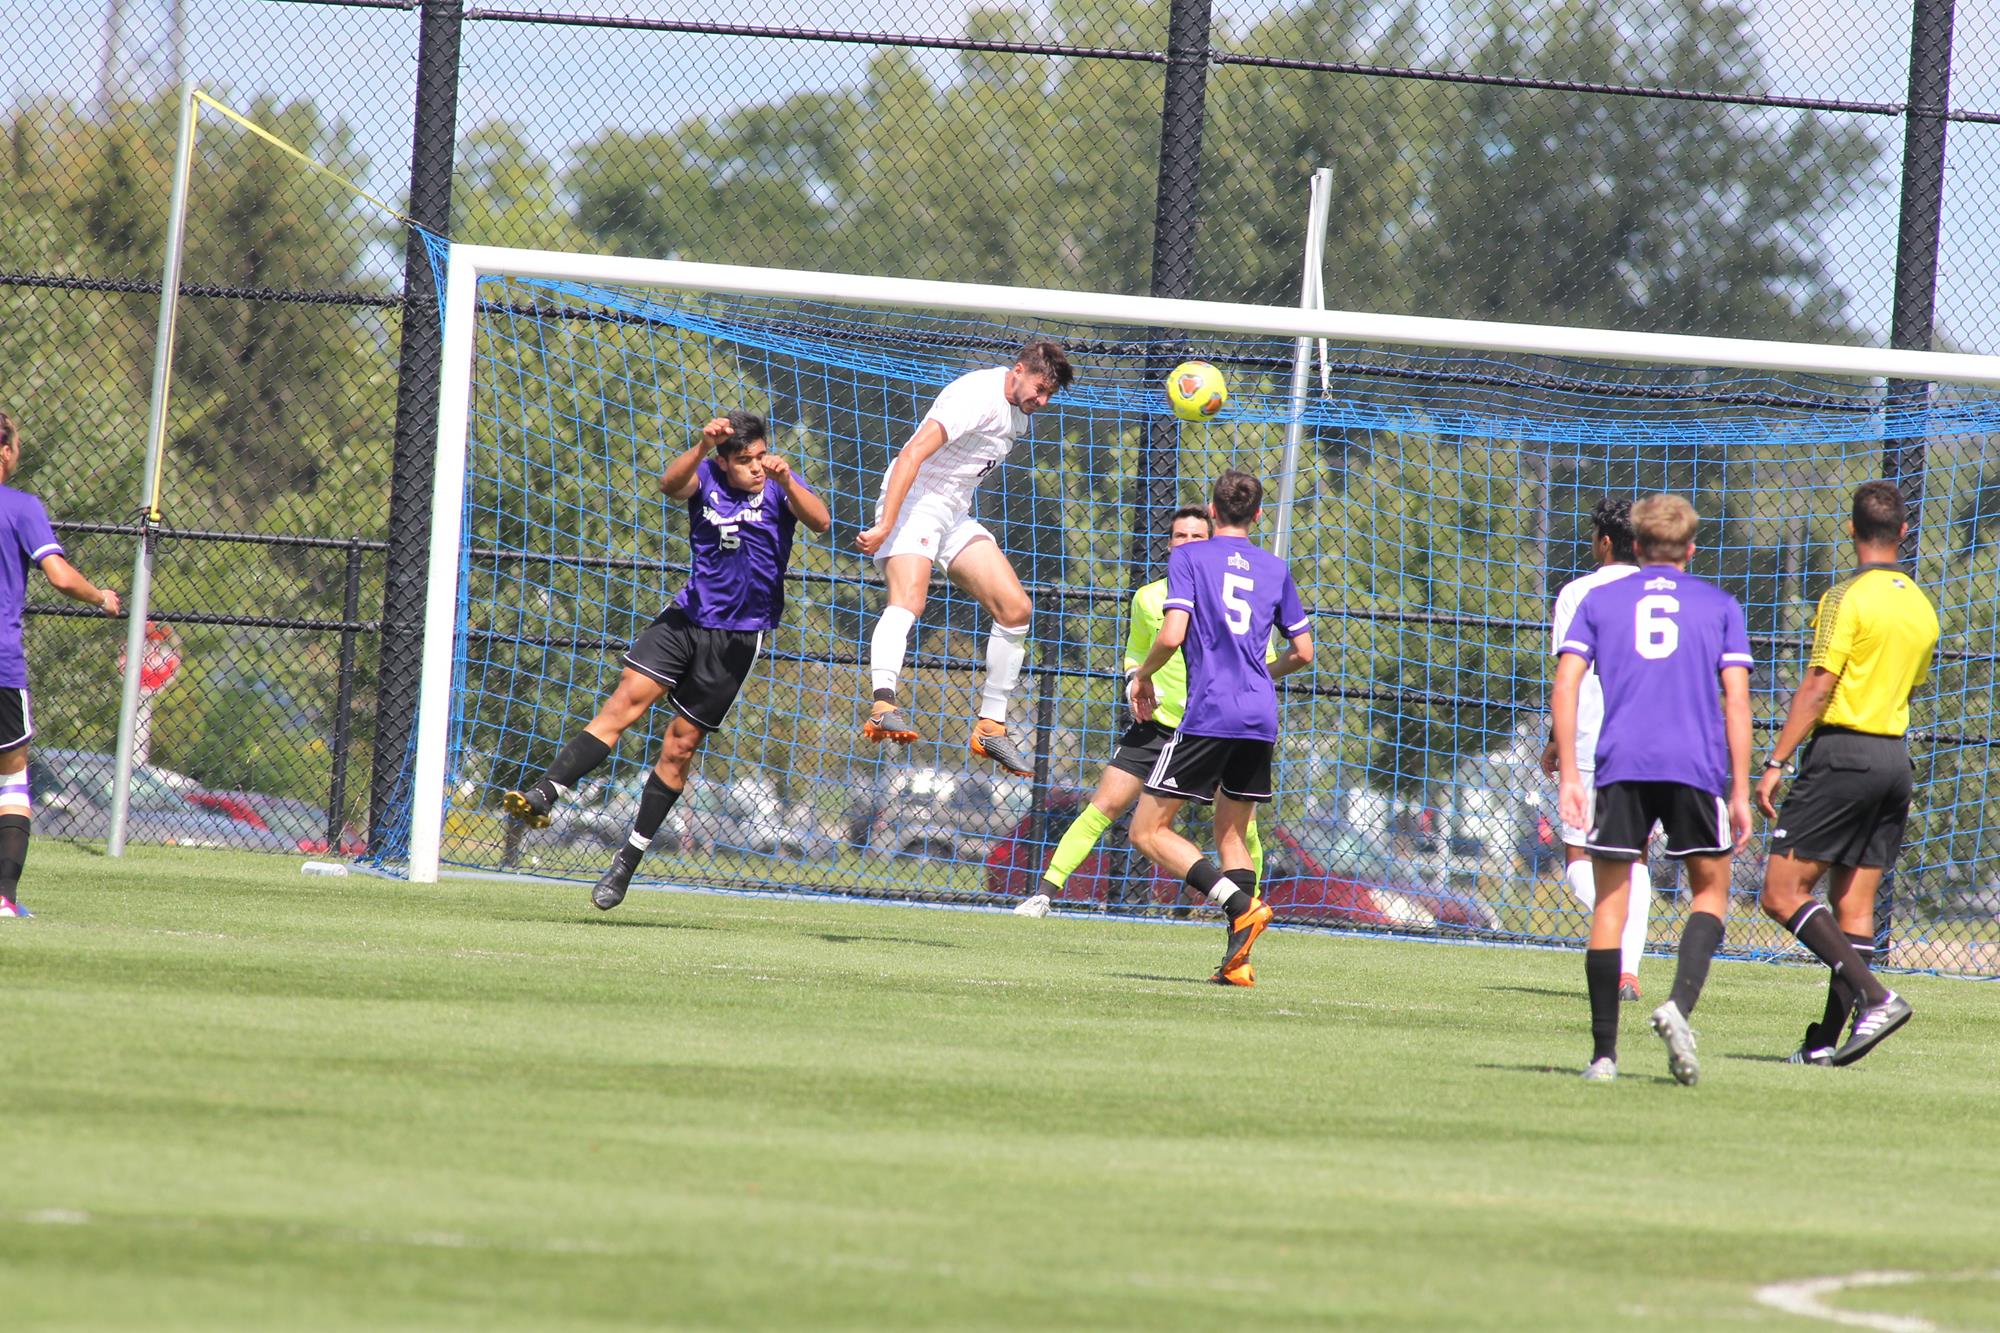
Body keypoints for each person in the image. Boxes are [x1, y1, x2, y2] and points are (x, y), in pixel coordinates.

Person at [502, 412, 831, 910]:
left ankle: (625, 863)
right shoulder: (705, 474)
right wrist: (700, 447)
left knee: (679, 748)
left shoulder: (780, 481)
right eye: (744, 461)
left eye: (761, 456)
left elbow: (822, 522)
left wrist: (788, 479)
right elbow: (668, 484)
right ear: (724, 460)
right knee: (624, 704)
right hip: (685, 619)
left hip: (737, 639)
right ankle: (548, 790)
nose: (756, 467)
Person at [1553, 493, 1754, 1084]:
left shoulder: (1600, 598)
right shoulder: (1718, 604)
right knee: (1710, 892)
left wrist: (1568, 772)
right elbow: (1736, 700)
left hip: (1621, 763)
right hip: (1694, 764)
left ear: (1636, 547)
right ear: (1692, 548)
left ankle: (1603, 1056)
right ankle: (1678, 1007)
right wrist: (1740, 789)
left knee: (1609, 905)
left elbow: (1566, 685)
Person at [1755, 481, 1935, 1067]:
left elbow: (1819, 683)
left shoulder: (1844, 597)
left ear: (1851, 530)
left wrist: (1776, 760)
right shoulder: (1920, 604)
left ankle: (1877, 997)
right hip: (1893, 761)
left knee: (1782, 894)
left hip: (1842, 755)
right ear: (1904, 533)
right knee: (1854, 909)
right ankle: (1823, 1043)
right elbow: (1911, 686)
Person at [1020, 507, 1264, 916]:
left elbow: (1263, 660)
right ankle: (1043, 894)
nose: (1187, 543)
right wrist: (1136, 680)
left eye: (1197, 537)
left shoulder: (1232, 602)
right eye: (1180, 536)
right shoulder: (1148, 597)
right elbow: (1134, 654)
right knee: (1104, 806)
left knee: (1238, 827)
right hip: (1157, 726)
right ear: (1169, 544)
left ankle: (1248, 908)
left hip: (1214, 728)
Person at [1127, 471, 1314, 986]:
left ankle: (1239, 904)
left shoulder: (1189, 557)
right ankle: (1239, 962)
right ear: (1257, 516)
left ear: (1211, 512)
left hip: (1210, 712)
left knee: (1147, 830)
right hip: (1259, 715)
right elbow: (1304, 652)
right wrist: (1263, 675)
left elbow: (1172, 633)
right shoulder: (1275, 568)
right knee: (1232, 833)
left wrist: (1142, 675)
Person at [855, 340, 1073, 777]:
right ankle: (882, 704)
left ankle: (991, 726)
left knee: (1016, 609)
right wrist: (886, 524)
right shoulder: (976, 396)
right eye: (1039, 388)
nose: (1042, 401)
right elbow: (913, 453)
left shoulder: (1020, 415)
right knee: (910, 600)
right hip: (914, 502)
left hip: (953, 513)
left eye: (1050, 394)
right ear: (1018, 370)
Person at [0, 410, 122, 919]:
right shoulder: (21, 507)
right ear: (6, 452)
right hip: (1, 666)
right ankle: (3, 896)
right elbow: (60, 576)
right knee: (11, 778)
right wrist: (102, 598)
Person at [1539, 498, 1649, 1000]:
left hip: (1588, 734)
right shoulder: (1659, 592)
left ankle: (1619, 944)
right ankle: (1629, 970)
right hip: (1646, 736)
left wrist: (1554, 741)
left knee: (1579, 856)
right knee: (1637, 855)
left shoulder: (1577, 593)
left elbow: (1570, 676)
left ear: (1604, 541)